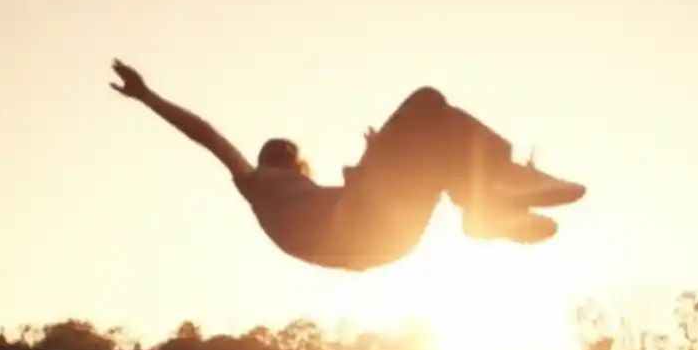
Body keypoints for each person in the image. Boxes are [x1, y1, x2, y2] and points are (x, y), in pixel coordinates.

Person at [108, 59, 585, 271]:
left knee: (434, 147)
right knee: (427, 101)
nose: (275, 159)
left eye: (283, 154)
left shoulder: (298, 195)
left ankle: (485, 210)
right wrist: (148, 96)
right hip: (362, 233)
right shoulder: (259, 184)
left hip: (382, 241)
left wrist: (382, 156)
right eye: (274, 156)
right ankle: (499, 188)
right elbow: (207, 135)